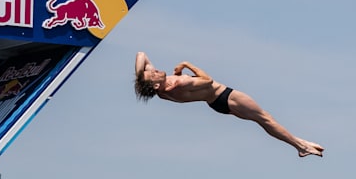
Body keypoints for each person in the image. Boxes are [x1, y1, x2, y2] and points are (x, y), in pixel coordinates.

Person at [134, 51, 324, 157]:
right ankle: (300, 146)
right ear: (156, 83)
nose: (154, 68)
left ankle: (300, 143)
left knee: (263, 120)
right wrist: (186, 64)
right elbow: (208, 80)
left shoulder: (161, 93)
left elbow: (141, 55)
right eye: (152, 73)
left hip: (215, 104)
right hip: (225, 96)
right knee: (265, 118)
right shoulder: (179, 82)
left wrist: (141, 79)